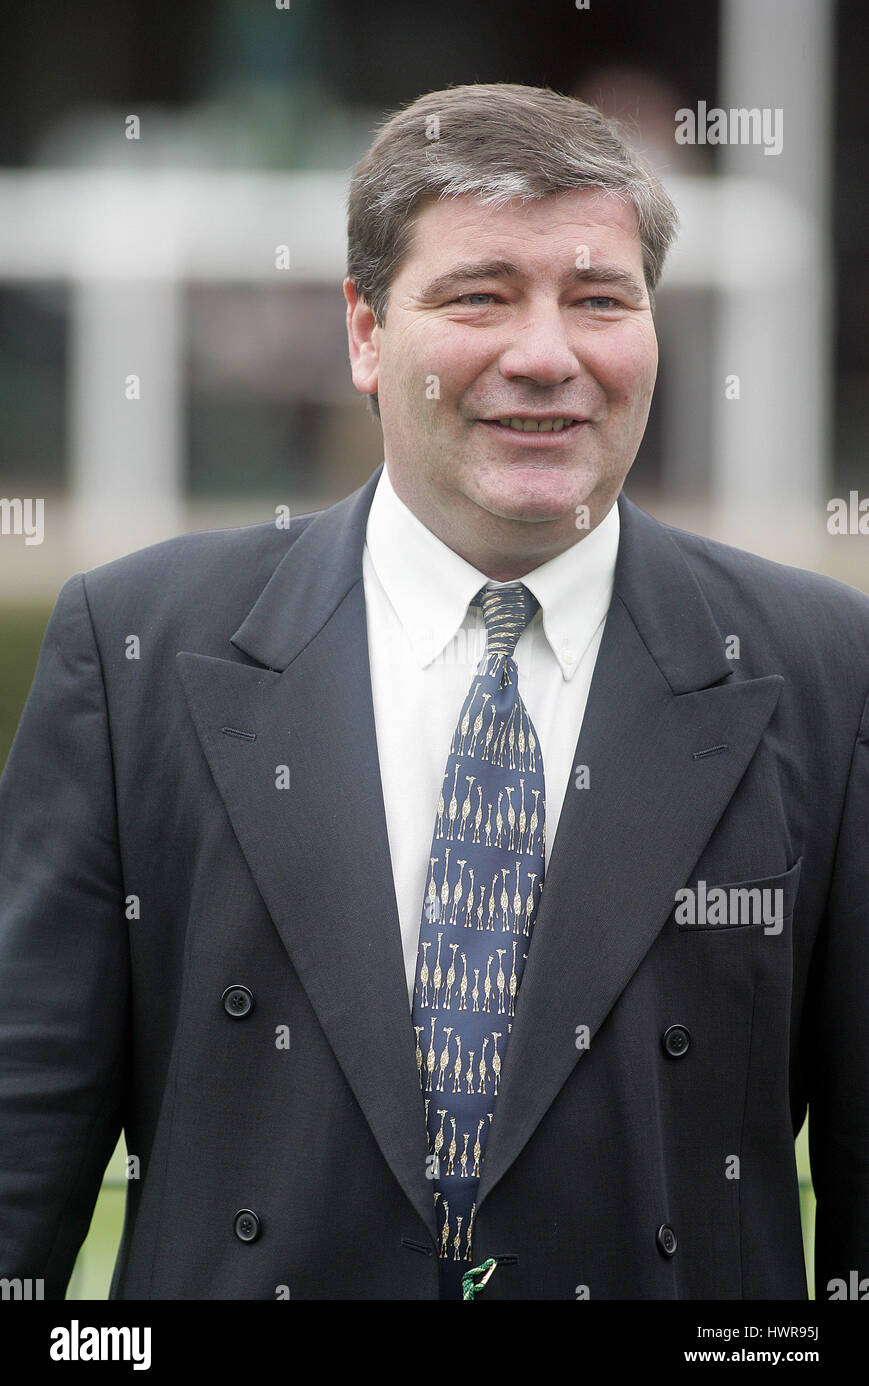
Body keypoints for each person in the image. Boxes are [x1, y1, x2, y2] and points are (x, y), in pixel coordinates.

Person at [0, 82, 867, 1302]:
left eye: (598, 300)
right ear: (363, 331)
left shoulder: (822, 669)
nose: (545, 355)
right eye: (479, 296)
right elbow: (20, 1147)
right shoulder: (136, 648)